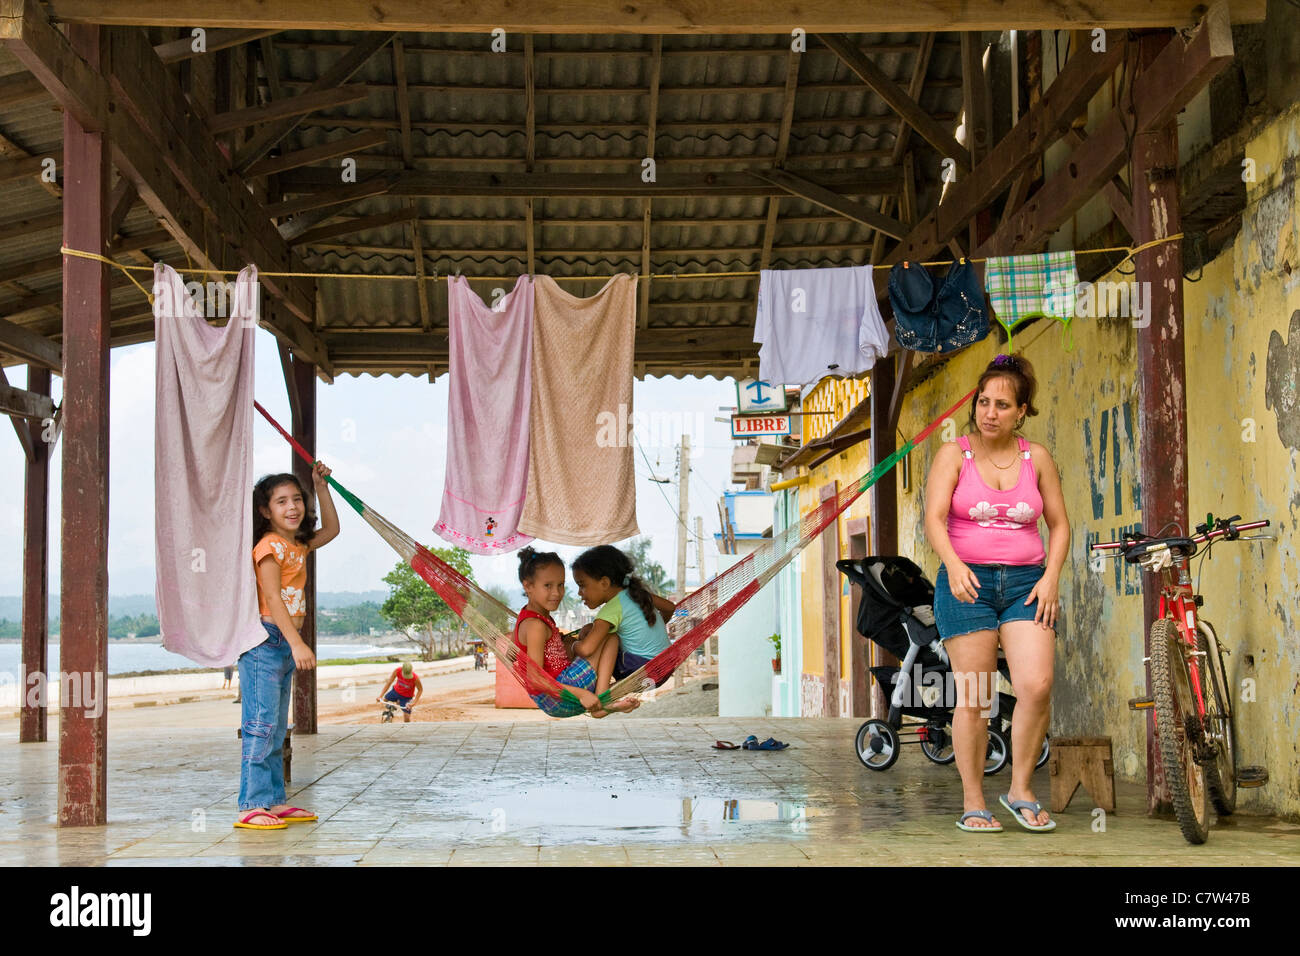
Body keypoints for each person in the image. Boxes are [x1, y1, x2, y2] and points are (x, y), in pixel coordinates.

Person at [923, 354, 1069, 833]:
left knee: (1036, 686)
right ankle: (972, 798)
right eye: (983, 402)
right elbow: (934, 520)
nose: (990, 412)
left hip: (1028, 583)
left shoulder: (1037, 458)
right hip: (968, 583)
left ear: (1021, 410)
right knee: (977, 694)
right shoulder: (954, 454)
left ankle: (1020, 789)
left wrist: (1051, 576)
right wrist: (953, 563)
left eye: (1002, 405)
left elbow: (1060, 524)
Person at [235, 463, 339, 830]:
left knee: (277, 727)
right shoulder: (267, 547)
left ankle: (273, 802)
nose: (292, 507)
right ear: (265, 511)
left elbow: (332, 529)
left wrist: (320, 488)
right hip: (267, 642)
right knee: (260, 725)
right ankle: (251, 805)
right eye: (281, 501)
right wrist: (298, 644)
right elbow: (274, 599)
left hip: (283, 645)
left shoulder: (298, 544)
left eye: (297, 499)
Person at [513, 547, 639, 718]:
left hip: (553, 696)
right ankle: (603, 701)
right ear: (528, 586)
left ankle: (603, 701)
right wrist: (582, 694)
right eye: (548, 586)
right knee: (609, 636)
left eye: (561, 585)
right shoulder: (535, 625)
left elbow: (515, 652)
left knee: (591, 634)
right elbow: (535, 680)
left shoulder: (531, 617)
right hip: (560, 696)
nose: (556, 593)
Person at [570, 545, 674, 693]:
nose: (580, 593)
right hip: (667, 666)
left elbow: (586, 650)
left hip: (641, 672)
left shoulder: (610, 610)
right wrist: (650, 629)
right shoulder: (637, 593)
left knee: (603, 637)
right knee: (591, 629)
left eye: (582, 585)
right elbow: (670, 607)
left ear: (604, 583)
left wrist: (575, 645)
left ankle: (602, 691)